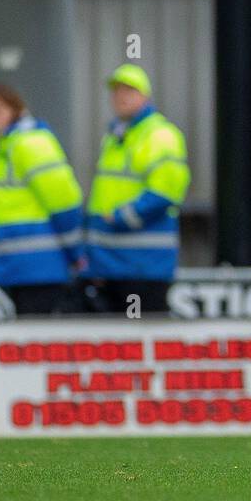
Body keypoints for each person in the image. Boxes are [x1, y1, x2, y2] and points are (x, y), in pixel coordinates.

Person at [84, 64, 190, 315]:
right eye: (116, 90)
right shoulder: (114, 137)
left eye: (129, 90)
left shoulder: (161, 135)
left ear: (145, 96)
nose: (121, 96)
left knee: (146, 338)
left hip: (145, 264)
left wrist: (120, 217)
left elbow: (166, 193)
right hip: (111, 264)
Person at [0, 83, 86, 314]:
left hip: (38, 268)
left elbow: (63, 202)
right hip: (16, 267)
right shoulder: (3, 150)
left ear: (15, 109)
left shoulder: (30, 144)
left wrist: (76, 253)